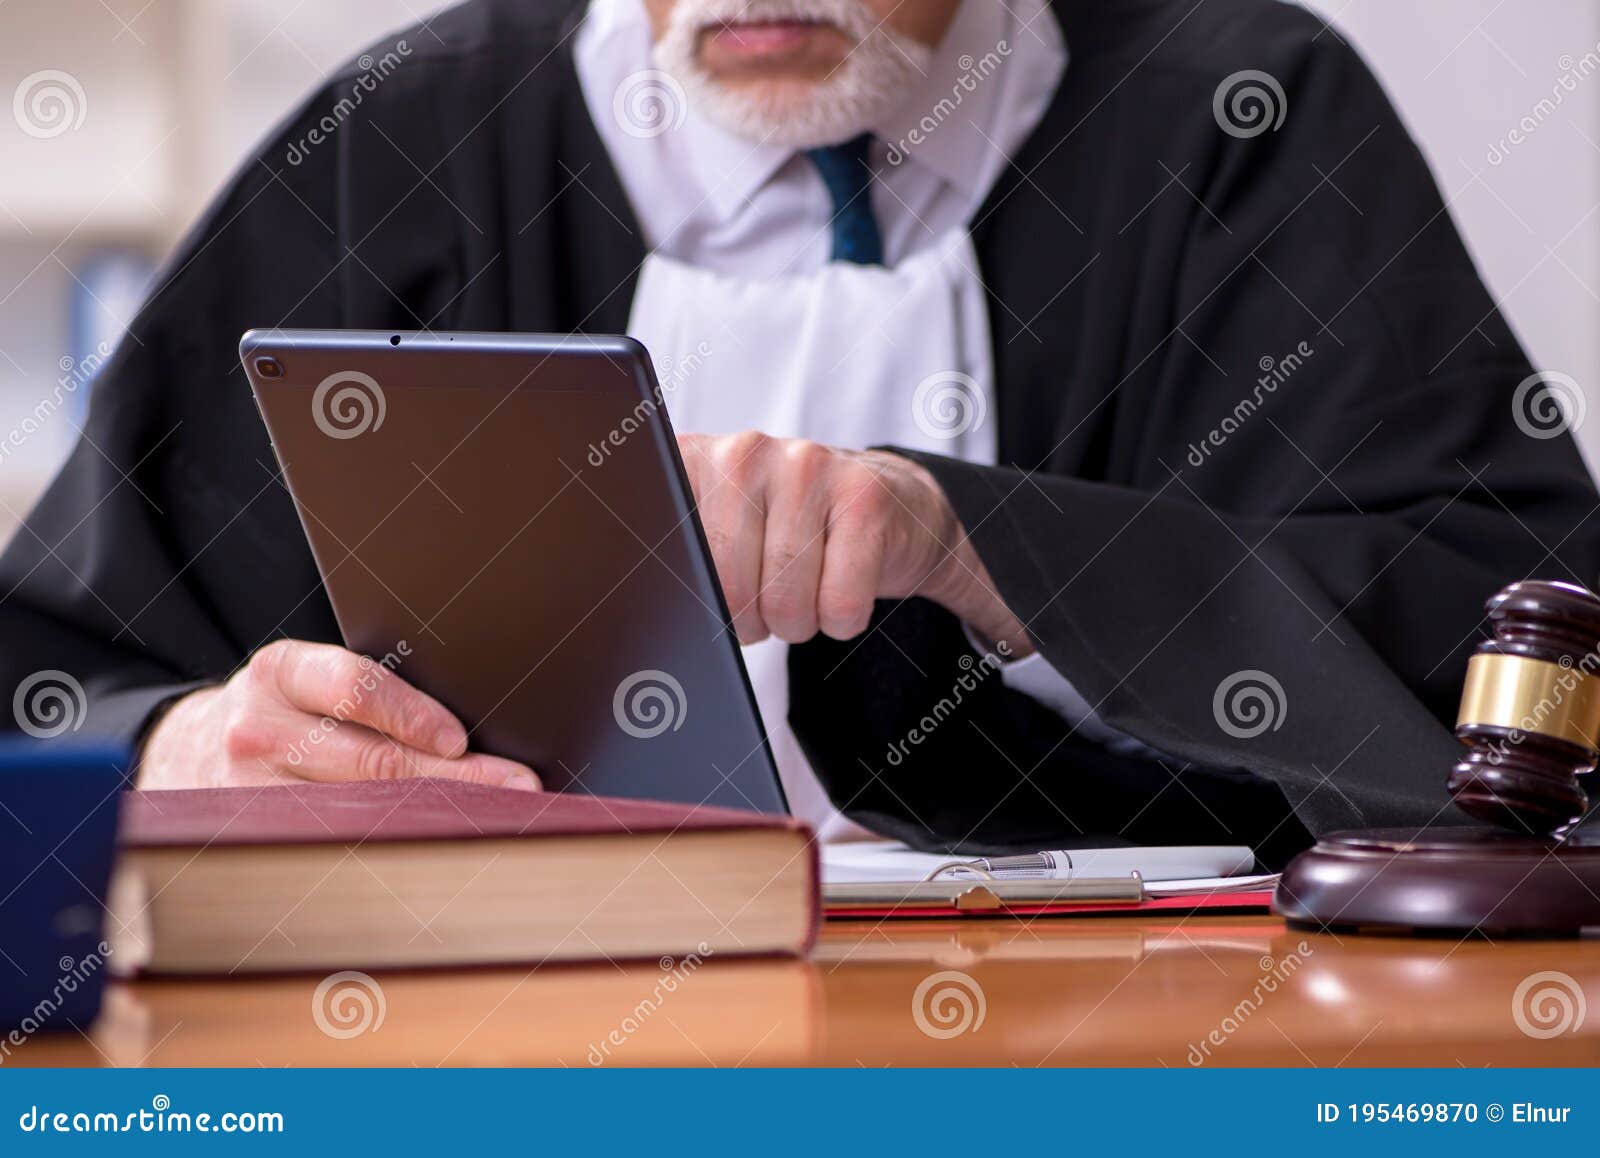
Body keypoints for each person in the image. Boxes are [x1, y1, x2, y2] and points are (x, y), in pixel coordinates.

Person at [3, 0, 1597, 865]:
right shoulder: (404, 141)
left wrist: (980, 546)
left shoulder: (1241, 115)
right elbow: (53, 672)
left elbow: (1518, 660)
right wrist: (183, 751)